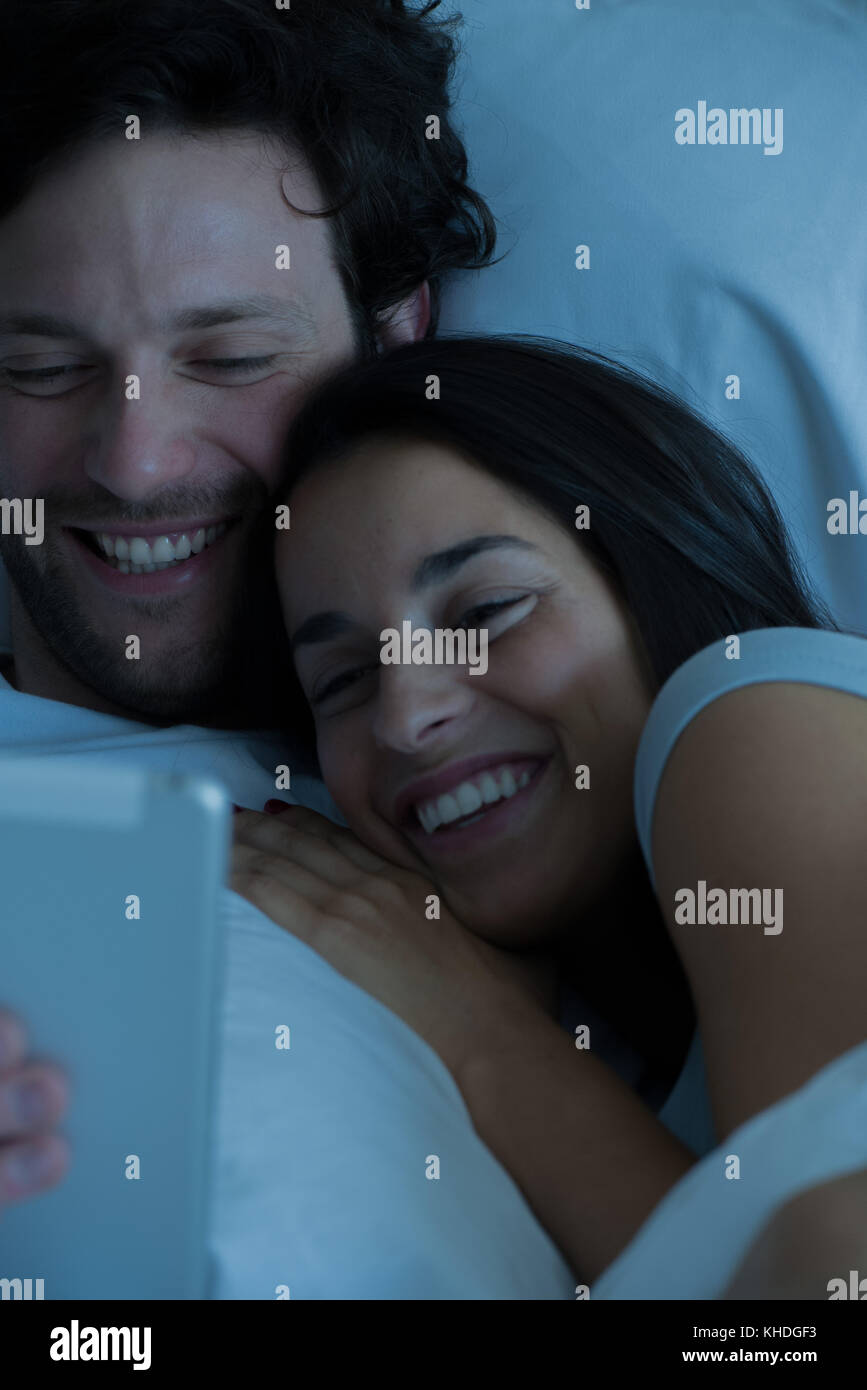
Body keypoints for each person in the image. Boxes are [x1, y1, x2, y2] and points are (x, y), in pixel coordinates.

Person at [0, 1, 578, 1303]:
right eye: (41, 368)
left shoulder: (560, 712)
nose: (134, 459)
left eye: (230, 356)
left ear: (396, 338)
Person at [229, 335, 867, 1291]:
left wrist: (480, 1033)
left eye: (487, 611)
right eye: (344, 679)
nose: (405, 718)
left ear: (653, 575)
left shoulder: (755, 715)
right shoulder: (627, 1033)